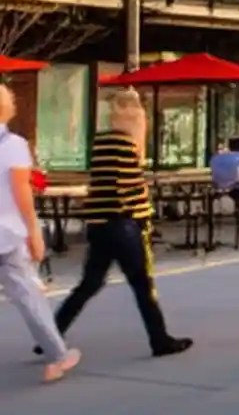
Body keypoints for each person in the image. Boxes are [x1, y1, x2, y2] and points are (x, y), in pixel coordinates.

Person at [51, 89, 191, 357]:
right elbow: (129, 188)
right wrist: (145, 215)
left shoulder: (100, 143)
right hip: (123, 224)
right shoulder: (127, 146)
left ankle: (52, 332)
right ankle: (159, 340)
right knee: (142, 284)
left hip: (99, 223)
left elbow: (103, 185)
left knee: (89, 284)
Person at [0, 84, 81, 382]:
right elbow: (21, 191)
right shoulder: (13, 144)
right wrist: (33, 230)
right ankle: (56, 357)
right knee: (28, 296)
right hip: (7, 232)